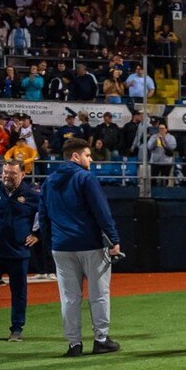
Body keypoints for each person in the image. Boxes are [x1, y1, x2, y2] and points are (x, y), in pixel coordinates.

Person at [41, 137, 122, 357]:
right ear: (75, 156)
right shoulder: (85, 179)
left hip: (61, 247)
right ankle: (101, 339)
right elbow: (101, 212)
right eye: (87, 155)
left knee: (69, 298)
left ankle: (74, 344)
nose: (90, 159)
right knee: (98, 294)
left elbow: (43, 216)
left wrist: (52, 242)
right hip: (90, 245)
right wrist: (114, 239)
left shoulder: (48, 181)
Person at [0, 159, 41, 343]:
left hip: (18, 252)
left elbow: (46, 215)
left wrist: (38, 235)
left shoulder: (31, 195)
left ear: (23, 174)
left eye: (12, 173)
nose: (7, 176)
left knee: (18, 292)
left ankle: (17, 329)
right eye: (5, 172)